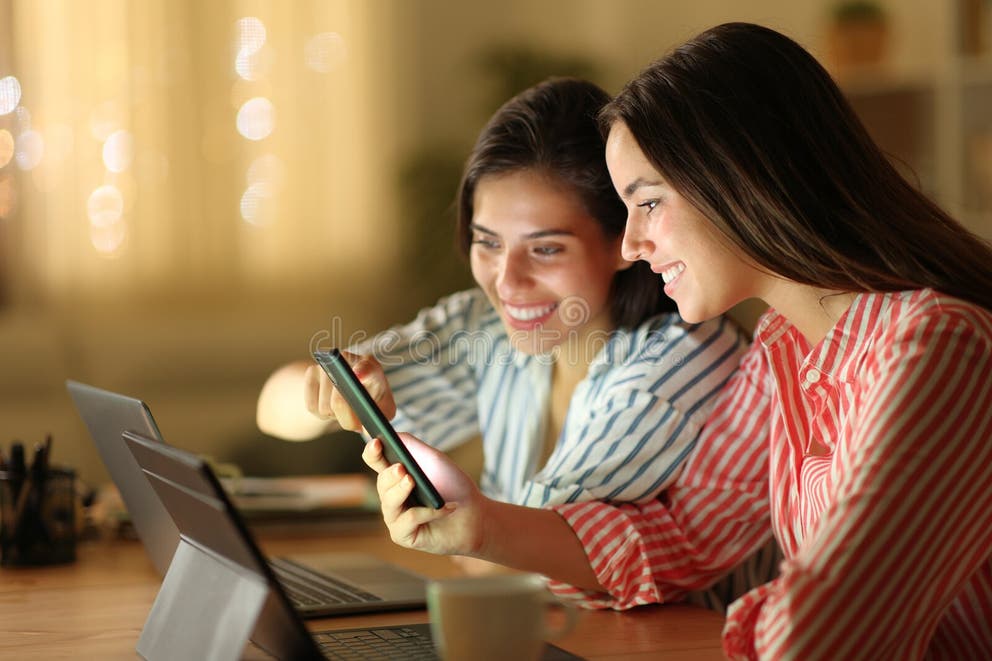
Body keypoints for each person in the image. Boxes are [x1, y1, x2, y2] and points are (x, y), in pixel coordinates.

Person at [359, 23, 992, 660]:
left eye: (648, 203)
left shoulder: (936, 345)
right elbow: (682, 537)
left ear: (742, 179)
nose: (631, 245)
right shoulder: (785, 350)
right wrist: (482, 524)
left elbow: (822, 638)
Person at [257, 78, 772, 607]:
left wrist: (471, 543)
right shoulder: (486, 326)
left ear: (623, 241)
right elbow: (272, 407)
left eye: (545, 249)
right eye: (488, 244)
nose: (507, 282)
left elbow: (523, 556)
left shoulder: (678, 364)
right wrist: (327, 393)